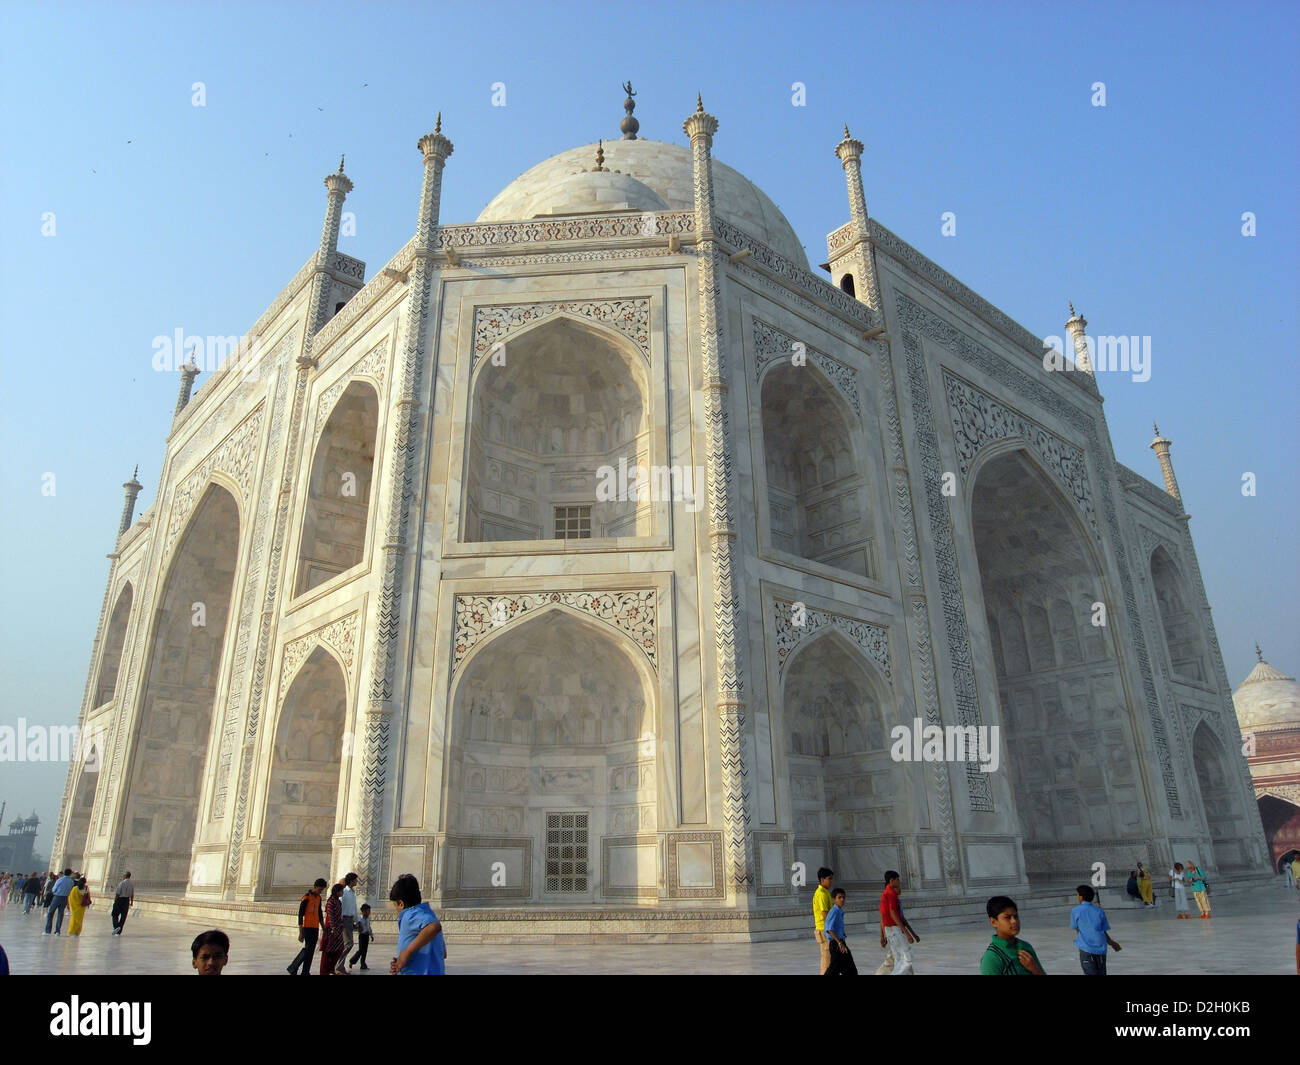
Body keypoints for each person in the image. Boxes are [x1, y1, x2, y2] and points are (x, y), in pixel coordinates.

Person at [389, 873, 445, 975]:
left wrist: (408, 952)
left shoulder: (410, 914)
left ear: (401, 904)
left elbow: (434, 927)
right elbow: (443, 953)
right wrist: (401, 960)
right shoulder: (429, 914)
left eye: (395, 905)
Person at [981, 896, 1045, 975]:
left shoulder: (1025, 947)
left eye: (1015, 916)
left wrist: (1035, 969)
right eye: (1007, 917)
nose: (1014, 921)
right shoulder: (992, 957)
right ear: (993, 922)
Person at [1071, 884, 1122, 974]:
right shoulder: (1099, 911)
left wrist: (1081, 941)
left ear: (1081, 897)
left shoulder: (1076, 911)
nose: (1077, 897)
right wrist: (1111, 943)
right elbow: (1102, 930)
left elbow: (1077, 929)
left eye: (1077, 895)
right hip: (1101, 949)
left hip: (1086, 949)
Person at [877, 869, 919, 975]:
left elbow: (885, 916)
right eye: (897, 880)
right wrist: (906, 933)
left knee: (898, 959)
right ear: (892, 881)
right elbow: (892, 914)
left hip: (889, 930)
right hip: (894, 929)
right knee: (907, 958)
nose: (899, 883)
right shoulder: (890, 894)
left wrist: (883, 935)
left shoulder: (885, 894)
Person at [287, 878, 328, 975]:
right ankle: (293, 967)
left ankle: (304, 971)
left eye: (322, 890)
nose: (320, 891)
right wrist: (301, 932)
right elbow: (300, 915)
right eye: (319, 889)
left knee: (310, 950)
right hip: (307, 927)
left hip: (315, 927)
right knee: (308, 949)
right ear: (315, 887)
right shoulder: (306, 897)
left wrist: (323, 927)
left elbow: (319, 914)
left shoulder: (318, 898)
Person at [823, 887, 857, 975]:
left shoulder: (839, 911)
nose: (842, 899)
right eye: (839, 897)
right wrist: (839, 943)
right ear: (834, 899)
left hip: (840, 943)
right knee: (834, 969)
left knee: (849, 969)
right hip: (836, 944)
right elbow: (829, 929)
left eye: (843, 897)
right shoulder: (834, 911)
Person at [319, 883, 347, 976]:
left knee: (339, 949)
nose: (342, 892)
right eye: (341, 891)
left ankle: (331, 968)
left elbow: (339, 916)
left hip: (337, 929)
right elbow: (330, 916)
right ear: (337, 892)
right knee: (327, 951)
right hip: (330, 930)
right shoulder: (330, 902)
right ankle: (324, 971)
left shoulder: (338, 902)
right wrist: (333, 928)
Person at [335, 872, 359, 974]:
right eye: (355, 880)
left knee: (347, 944)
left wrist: (357, 921)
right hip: (344, 920)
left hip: (349, 920)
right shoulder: (344, 892)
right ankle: (338, 966)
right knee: (348, 944)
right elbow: (339, 905)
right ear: (351, 881)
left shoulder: (352, 893)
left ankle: (340, 966)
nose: (357, 881)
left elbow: (354, 908)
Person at [812, 867, 834, 975]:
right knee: (826, 961)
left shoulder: (825, 892)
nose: (830, 881)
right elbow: (825, 913)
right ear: (822, 879)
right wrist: (832, 930)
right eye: (829, 879)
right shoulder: (821, 893)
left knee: (830, 960)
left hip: (825, 929)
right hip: (824, 930)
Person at [43, 869, 75, 935]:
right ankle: (57, 931)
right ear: (70, 874)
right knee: (60, 914)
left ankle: (48, 931)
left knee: (50, 913)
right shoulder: (71, 881)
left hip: (57, 897)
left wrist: (55, 892)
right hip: (65, 898)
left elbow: (54, 889)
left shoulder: (60, 880)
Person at [350, 903, 373, 970]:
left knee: (364, 951)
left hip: (366, 936)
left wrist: (371, 935)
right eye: (367, 911)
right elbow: (356, 926)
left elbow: (369, 927)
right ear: (363, 911)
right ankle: (352, 961)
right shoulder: (360, 919)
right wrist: (357, 928)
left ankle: (363, 964)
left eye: (369, 911)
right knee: (360, 950)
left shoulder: (368, 919)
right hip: (362, 936)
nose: (369, 912)